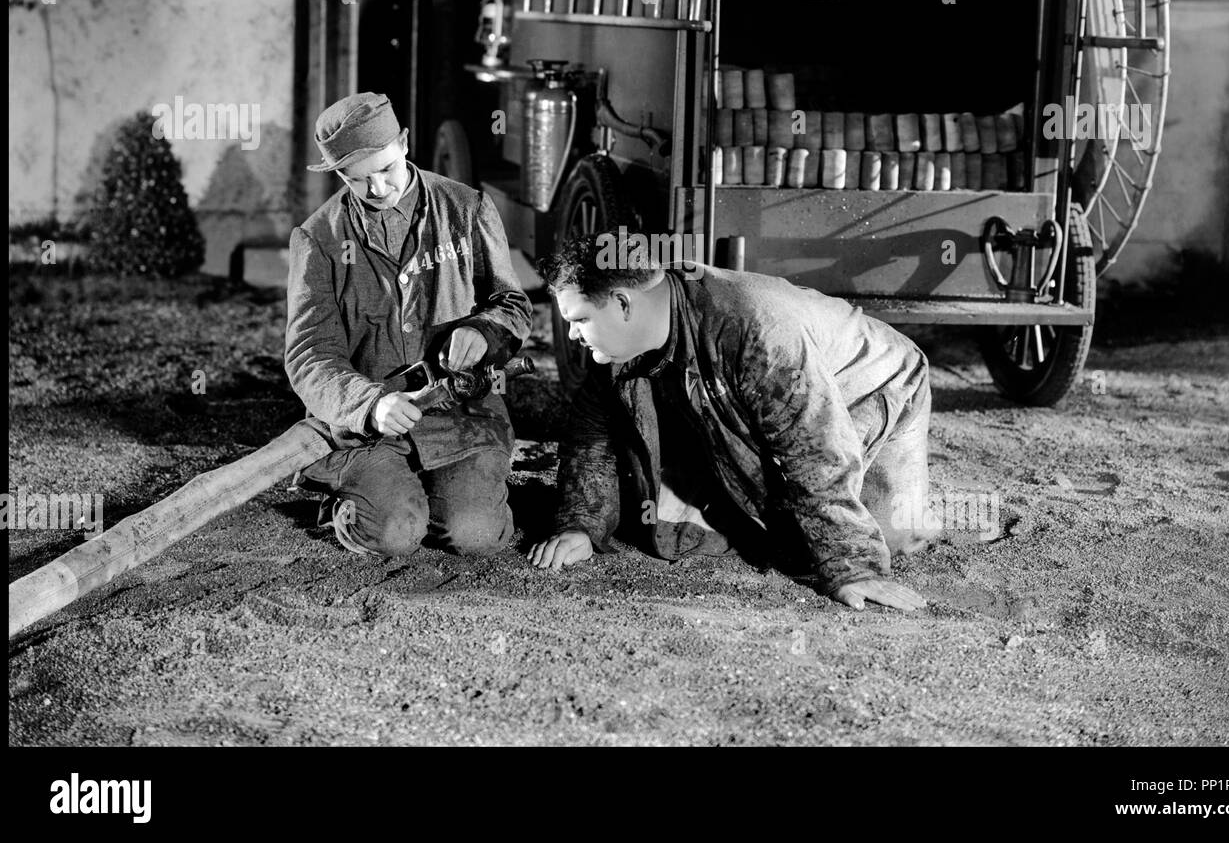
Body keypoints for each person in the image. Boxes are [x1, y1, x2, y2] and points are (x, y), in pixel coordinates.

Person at [529, 233, 939, 611]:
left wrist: (852, 566)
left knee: (891, 537)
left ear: (622, 304)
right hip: (745, 399)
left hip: (871, 384)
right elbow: (591, 434)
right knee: (675, 527)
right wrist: (580, 525)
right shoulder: (621, 343)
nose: (571, 336)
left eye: (579, 320)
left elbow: (817, 446)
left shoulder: (750, 325)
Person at [285, 92, 531, 558]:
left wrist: (482, 331)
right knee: (395, 533)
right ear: (339, 175)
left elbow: (513, 304)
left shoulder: (466, 209)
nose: (377, 188)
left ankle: (434, 493)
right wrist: (369, 404)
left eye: (385, 169)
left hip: (460, 414)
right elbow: (309, 354)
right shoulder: (318, 239)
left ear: (404, 143)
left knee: (475, 534)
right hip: (368, 426)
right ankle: (367, 496)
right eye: (357, 180)